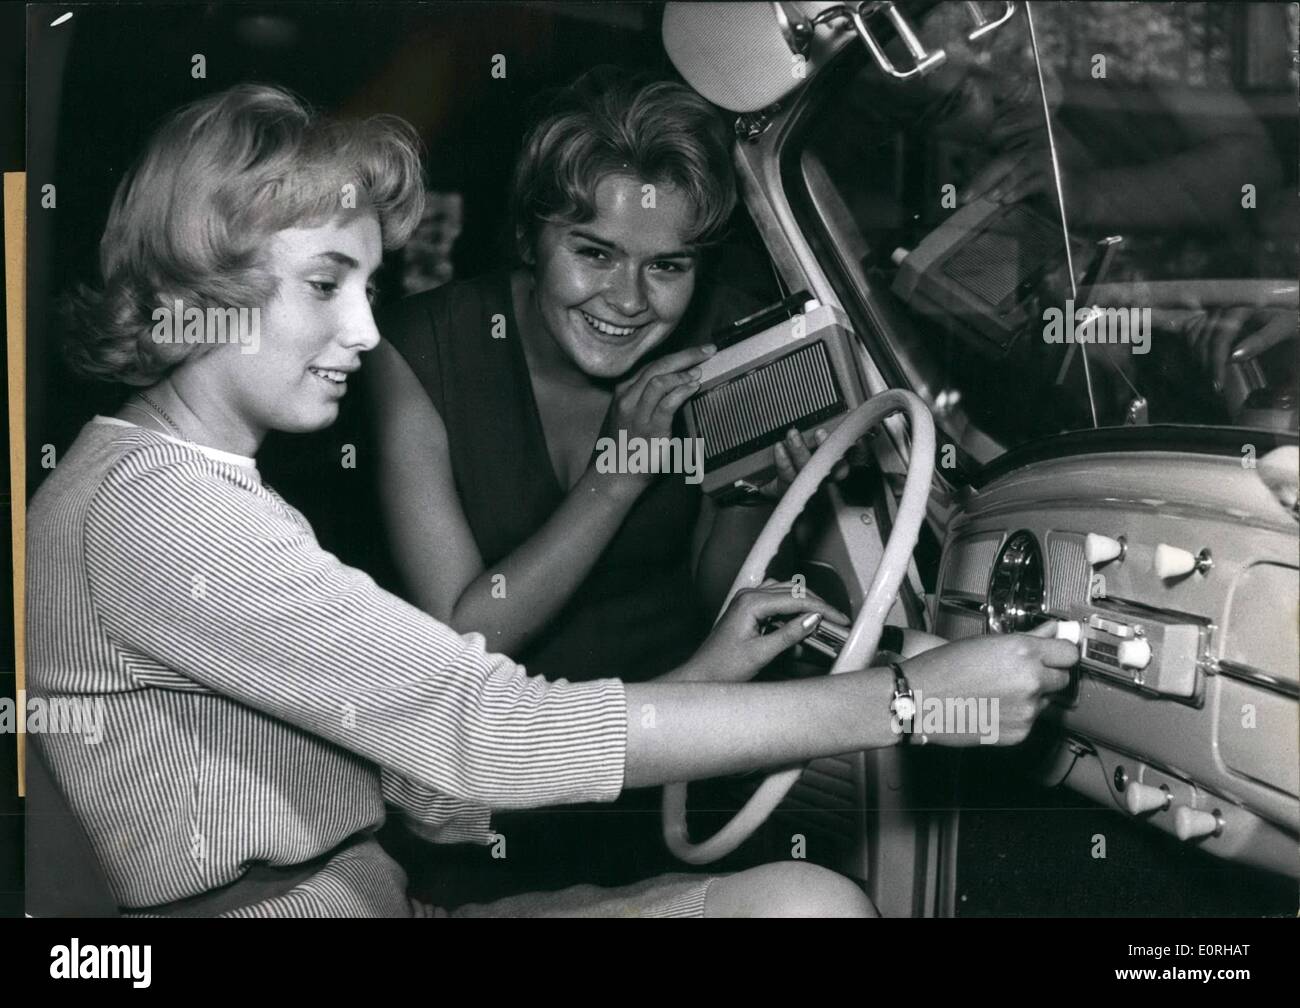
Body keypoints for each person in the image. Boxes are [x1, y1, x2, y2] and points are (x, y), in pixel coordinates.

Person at [29, 83, 1078, 917]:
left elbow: (322, 734)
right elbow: (486, 721)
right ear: (195, 286)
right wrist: (908, 701)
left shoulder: (184, 480)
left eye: (368, 288)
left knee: (803, 903)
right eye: (324, 285)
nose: (361, 329)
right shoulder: (155, 508)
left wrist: (401, 784)